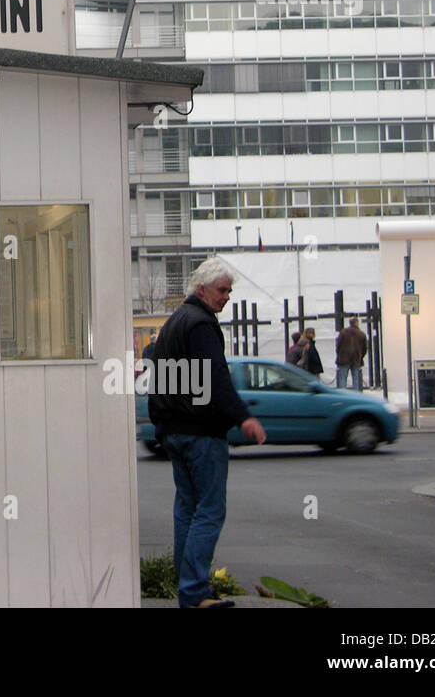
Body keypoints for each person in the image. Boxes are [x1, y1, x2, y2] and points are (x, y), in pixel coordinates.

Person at [148, 257, 266, 608]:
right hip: (201, 432)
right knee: (210, 510)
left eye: (229, 291)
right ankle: (195, 590)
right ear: (202, 289)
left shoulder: (173, 323)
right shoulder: (201, 324)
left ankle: (189, 591)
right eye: (221, 290)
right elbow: (216, 376)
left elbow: (159, 377)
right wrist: (243, 417)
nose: (226, 297)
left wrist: (163, 426)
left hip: (175, 431)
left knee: (187, 509)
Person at [335, 317, 367, 391]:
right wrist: (360, 357)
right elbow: (365, 349)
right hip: (356, 359)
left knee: (342, 379)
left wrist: (339, 355)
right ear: (357, 323)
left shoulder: (343, 332)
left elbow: (338, 345)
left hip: (343, 359)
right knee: (356, 379)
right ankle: (356, 396)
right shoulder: (361, 334)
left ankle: (343, 396)